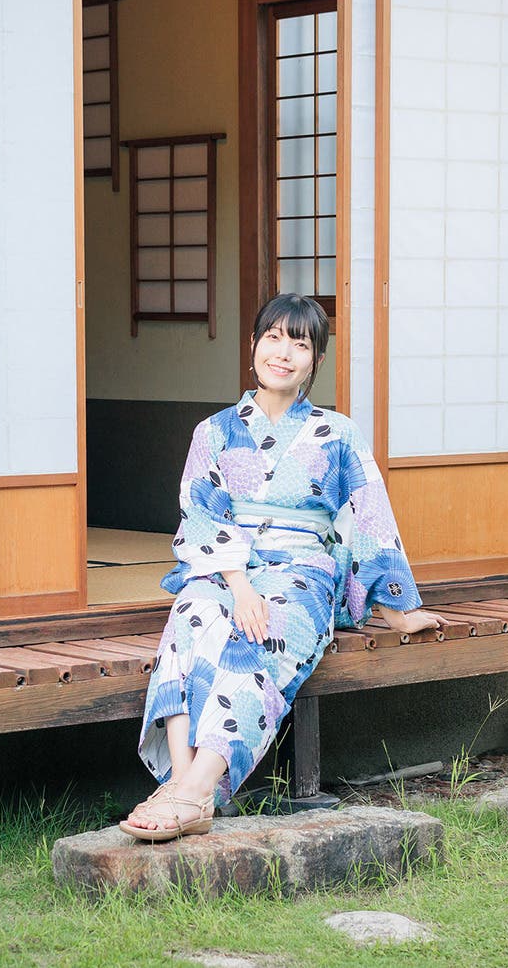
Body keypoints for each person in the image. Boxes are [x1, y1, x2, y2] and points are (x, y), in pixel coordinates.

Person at [120, 293, 440, 842]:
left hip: (302, 570)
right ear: (253, 346)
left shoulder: (337, 433)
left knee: (256, 639)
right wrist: (240, 585)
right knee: (191, 616)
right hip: (228, 568)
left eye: (300, 343)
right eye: (273, 337)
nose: (284, 353)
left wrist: (396, 608)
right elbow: (200, 514)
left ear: (316, 360)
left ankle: (197, 788)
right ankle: (182, 787)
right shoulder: (214, 431)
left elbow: (369, 513)